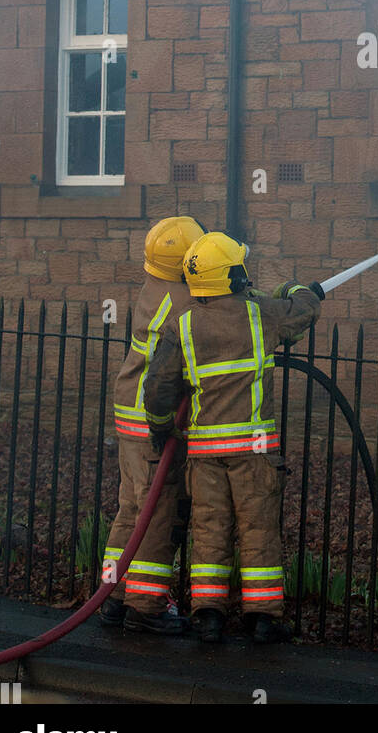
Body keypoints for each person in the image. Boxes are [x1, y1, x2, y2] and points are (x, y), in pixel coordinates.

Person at [143, 231, 324, 644]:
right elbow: (304, 311)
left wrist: (161, 427)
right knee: (258, 530)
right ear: (234, 276)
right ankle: (263, 618)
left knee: (209, 529)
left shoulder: (183, 326)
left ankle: (208, 615)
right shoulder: (261, 314)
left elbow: (158, 388)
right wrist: (296, 289)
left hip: (204, 455)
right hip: (255, 452)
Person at [100, 215, 206, 635]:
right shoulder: (184, 302)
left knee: (131, 508)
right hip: (151, 419)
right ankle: (145, 606)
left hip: (129, 412)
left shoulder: (155, 287)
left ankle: (111, 595)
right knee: (157, 512)